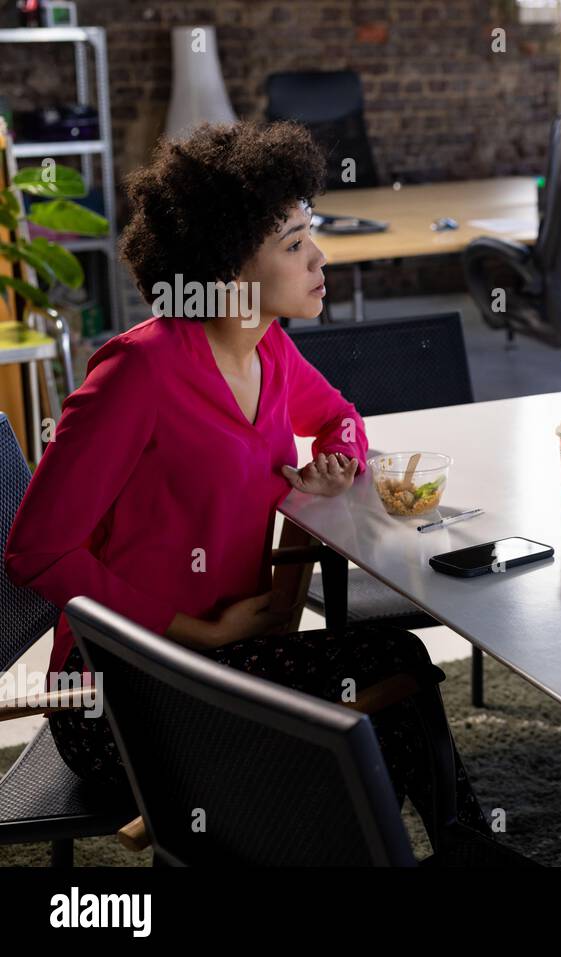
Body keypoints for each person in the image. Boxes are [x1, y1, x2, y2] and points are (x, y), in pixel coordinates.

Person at [5, 121, 486, 841]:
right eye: (293, 244)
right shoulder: (136, 375)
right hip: (119, 694)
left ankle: (461, 848)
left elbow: (343, 419)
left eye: (309, 232)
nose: (318, 257)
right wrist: (194, 629)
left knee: (396, 667)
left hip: (220, 657)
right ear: (230, 270)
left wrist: (339, 461)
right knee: (384, 685)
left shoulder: (271, 352)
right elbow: (35, 550)